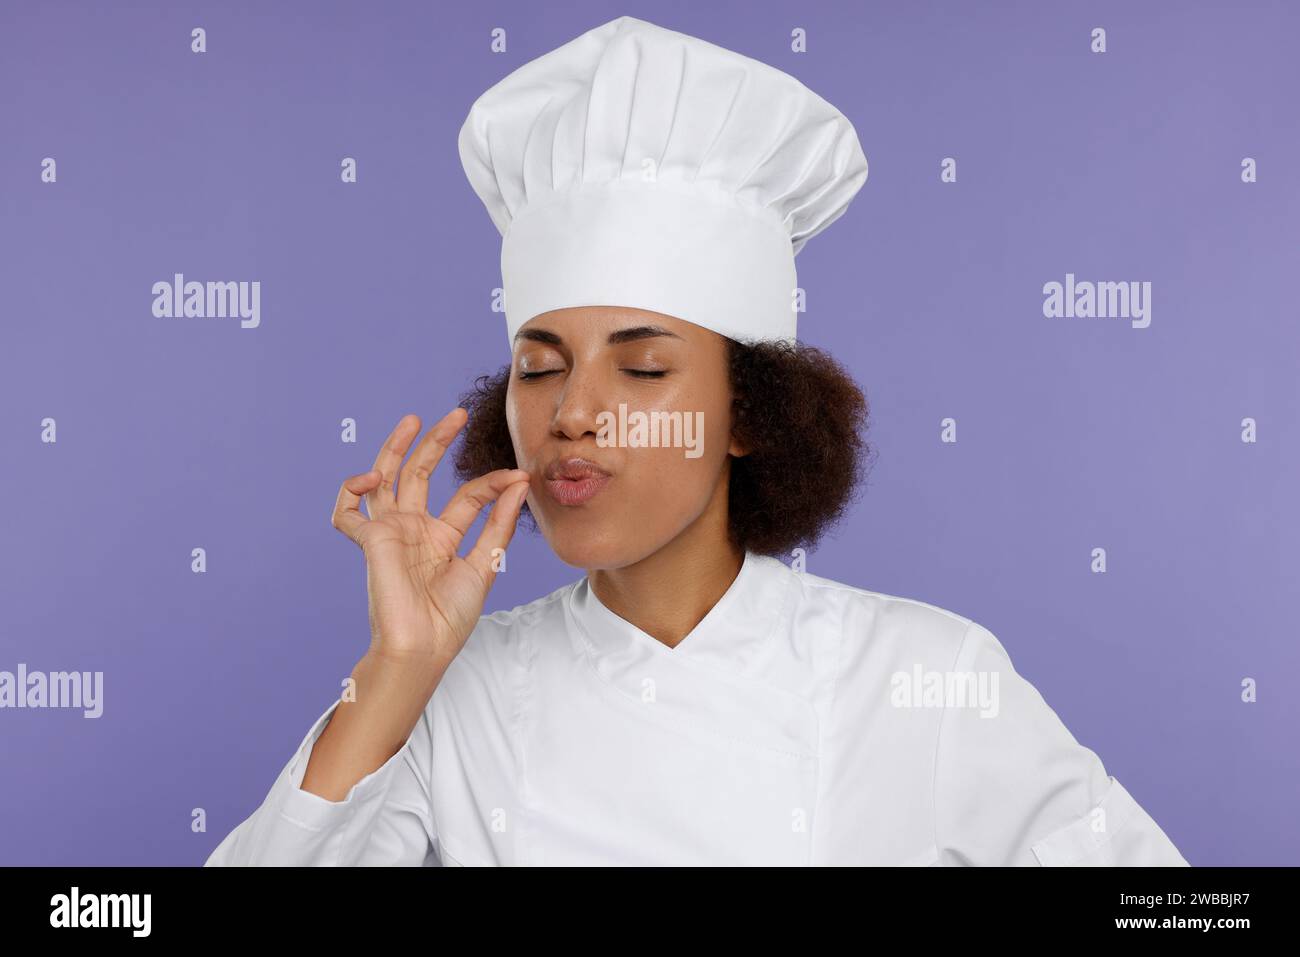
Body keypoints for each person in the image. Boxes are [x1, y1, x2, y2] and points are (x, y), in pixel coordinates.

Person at [205, 15, 1187, 867]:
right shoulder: (455, 689)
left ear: (750, 415)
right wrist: (397, 668)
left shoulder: (925, 676)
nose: (571, 413)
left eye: (640, 369)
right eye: (541, 367)